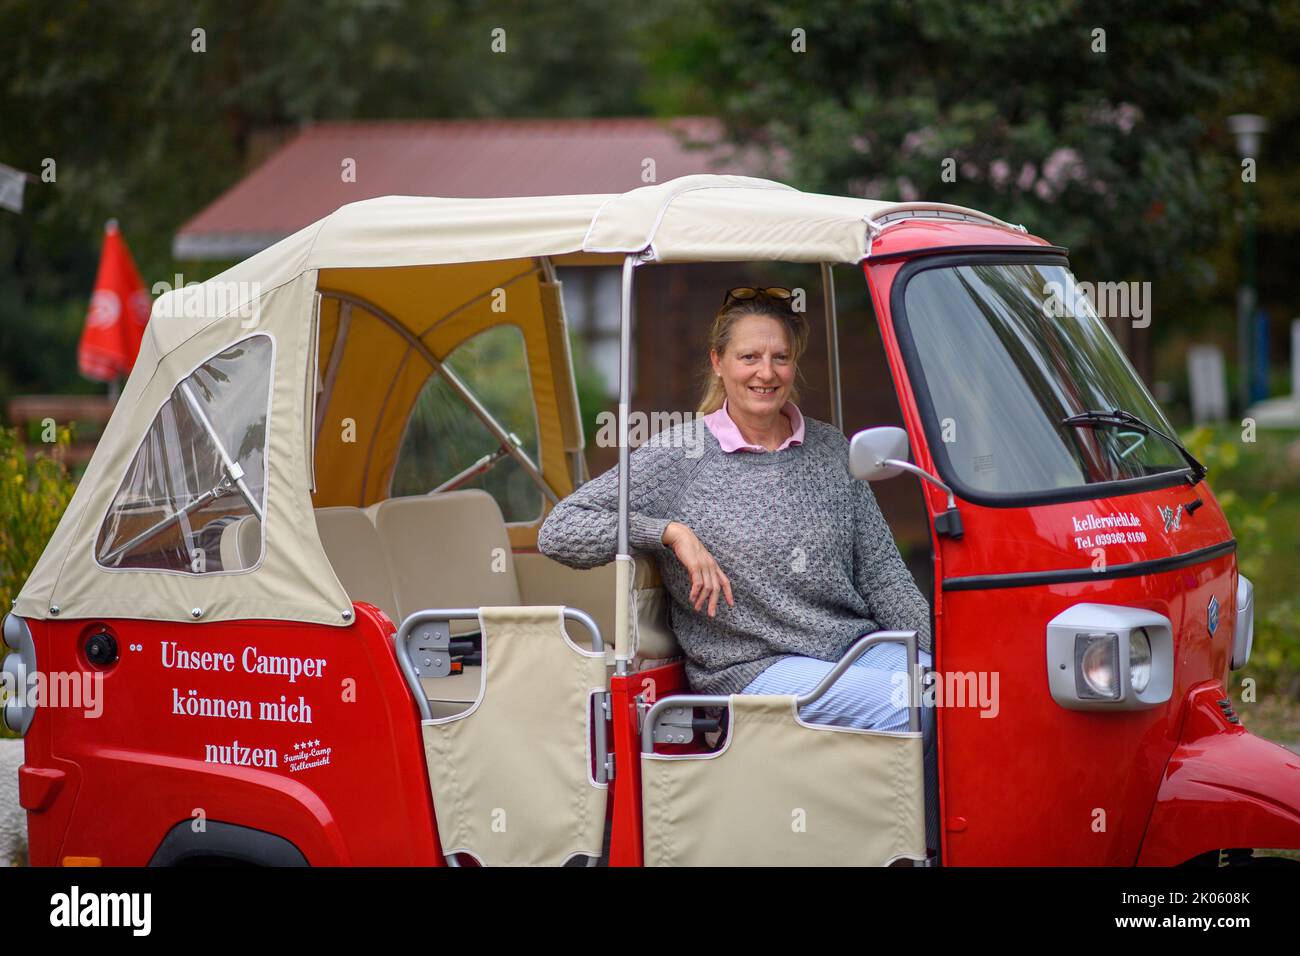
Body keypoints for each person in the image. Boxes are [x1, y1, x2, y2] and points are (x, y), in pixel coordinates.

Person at [537, 286, 934, 734]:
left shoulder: (829, 448)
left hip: (853, 648)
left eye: (780, 357)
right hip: (753, 669)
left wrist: (951, 652)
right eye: (749, 357)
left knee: (957, 695)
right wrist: (669, 532)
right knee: (915, 705)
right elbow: (560, 530)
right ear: (718, 362)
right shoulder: (680, 453)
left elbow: (884, 576)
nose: (766, 372)